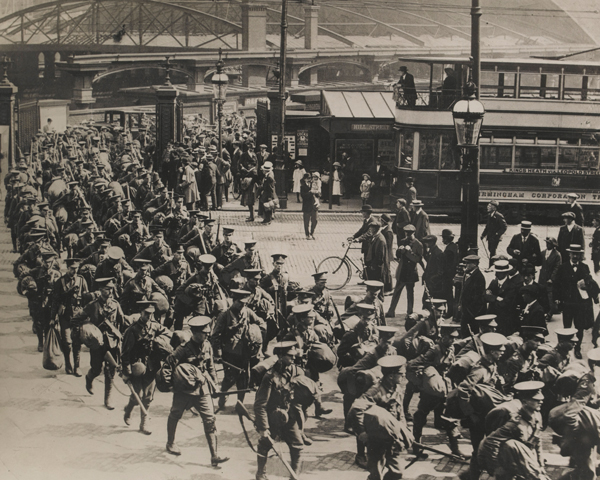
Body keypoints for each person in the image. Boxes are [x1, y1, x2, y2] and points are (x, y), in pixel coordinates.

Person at [164, 316, 229, 466]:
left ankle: (214, 456)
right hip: (184, 391)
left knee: (210, 419)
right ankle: (170, 442)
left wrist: (215, 385)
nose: (207, 335)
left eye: (208, 333)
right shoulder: (183, 349)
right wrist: (170, 385)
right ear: (195, 333)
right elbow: (168, 365)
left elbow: (211, 367)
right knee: (175, 414)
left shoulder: (207, 346)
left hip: (202, 389)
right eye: (204, 333)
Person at [408, 323, 465, 458]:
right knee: (420, 416)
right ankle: (417, 446)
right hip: (431, 392)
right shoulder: (434, 350)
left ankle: (455, 449)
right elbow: (413, 364)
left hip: (445, 390)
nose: (453, 341)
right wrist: (423, 380)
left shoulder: (450, 349)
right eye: (450, 338)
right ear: (443, 337)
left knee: (448, 418)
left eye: (454, 338)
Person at [457, 332, 508, 480]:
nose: (502, 353)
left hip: (488, 414)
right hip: (478, 417)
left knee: (487, 447)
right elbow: (463, 389)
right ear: (492, 352)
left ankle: (471, 474)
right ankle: (471, 476)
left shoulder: (491, 365)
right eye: (501, 351)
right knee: (478, 448)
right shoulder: (479, 370)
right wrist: (470, 413)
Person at [71, 277, 127, 410]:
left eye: (111, 288)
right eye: (107, 289)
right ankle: (89, 378)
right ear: (101, 290)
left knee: (110, 371)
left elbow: (123, 322)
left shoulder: (115, 304)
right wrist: (86, 330)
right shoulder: (92, 306)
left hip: (112, 343)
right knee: (96, 368)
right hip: (97, 345)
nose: (111, 291)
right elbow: (75, 320)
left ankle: (108, 398)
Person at [254, 341, 305, 480]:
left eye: (295, 355)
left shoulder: (297, 371)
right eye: (290, 356)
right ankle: (261, 475)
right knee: (265, 445)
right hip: (273, 416)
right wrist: (263, 427)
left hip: (290, 415)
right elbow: (260, 404)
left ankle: (294, 477)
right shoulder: (270, 376)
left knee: (298, 447)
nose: (294, 358)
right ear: (280, 356)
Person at [478, 381, 549, 480]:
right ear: (524, 402)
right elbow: (490, 441)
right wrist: (496, 467)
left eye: (541, 399)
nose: (541, 402)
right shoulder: (515, 422)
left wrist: (540, 463)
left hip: (526, 461)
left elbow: (538, 441)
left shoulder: (537, 415)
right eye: (536, 400)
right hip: (511, 462)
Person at [121, 300, 170, 435]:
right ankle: (129, 409)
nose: (149, 317)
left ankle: (144, 423)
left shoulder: (155, 326)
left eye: (152, 314)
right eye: (147, 314)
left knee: (147, 396)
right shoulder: (132, 330)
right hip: (136, 367)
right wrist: (126, 372)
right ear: (141, 313)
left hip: (151, 366)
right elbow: (125, 353)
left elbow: (168, 334)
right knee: (137, 394)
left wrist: (161, 342)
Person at [554, 244, 597, 359]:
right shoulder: (563, 268)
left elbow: (591, 283)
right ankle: (565, 350)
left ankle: (577, 349)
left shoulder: (584, 267)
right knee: (566, 328)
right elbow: (556, 284)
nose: (575, 256)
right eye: (573, 253)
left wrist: (586, 284)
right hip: (567, 304)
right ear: (569, 254)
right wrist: (557, 298)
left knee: (580, 328)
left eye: (577, 254)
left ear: (580, 255)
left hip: (580, 305)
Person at [50, 257, 88, 375]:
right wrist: (52, 317)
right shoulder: (60, 282)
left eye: (76, 269)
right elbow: (55, 301)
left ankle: (77, 366)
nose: (75, 271)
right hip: (65, 315)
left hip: (78, 314)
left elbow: (86, 298)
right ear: (67, 268)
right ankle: (68, 363)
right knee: (67, 342)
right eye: (72, 269)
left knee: (77, 341)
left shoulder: (81, 280)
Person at [386, 224, 422, 318]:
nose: (407, 235)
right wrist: (399, 251)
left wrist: (409, 252)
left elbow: (418, 259)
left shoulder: (418, 244)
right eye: (406, 233)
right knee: (396, 292)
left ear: (413, 233)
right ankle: (391, 311)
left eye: (409, 233)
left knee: (410, 294)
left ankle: (409, 312)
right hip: (402, 271)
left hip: (411, 272)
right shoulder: (403, 241)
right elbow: (398, 256)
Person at [485, 260, 520, 336]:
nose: (496, 274)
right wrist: (496, 298)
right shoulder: (493, 283)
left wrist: (491, 297)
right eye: (496, 272)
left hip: (504, 320)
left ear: (505, 273)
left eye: (499, 272)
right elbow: (485, 296)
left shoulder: (512, 286)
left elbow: (505, 304)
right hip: (491, 317)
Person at [457, 255, 487, 337]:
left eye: (468, 263)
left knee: (471, 334)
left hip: (472, 313)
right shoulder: (466, 274)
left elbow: (478, 298)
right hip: (465, 311)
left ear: (474, 264)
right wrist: (460, 304)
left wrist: (470, 312)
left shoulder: (479, 277)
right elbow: (463, 291)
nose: (465, 265)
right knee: (464, 332)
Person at [539, 236, 561, 316]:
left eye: (549, 244)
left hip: (550, 278)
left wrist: (552, 278)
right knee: (542, 294)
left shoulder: (557, 255)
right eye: (546, 243)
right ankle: (543, 311)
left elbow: (557, 268)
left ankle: (550, 313)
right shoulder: (543, 252)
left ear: (553, 245)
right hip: (542, 277)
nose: (547, 245)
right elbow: (539, 261)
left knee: (550, 296)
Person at [481, 200, 507, 268]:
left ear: (494, 208)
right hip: (490, 237)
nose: (487, 207)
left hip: (495, 238)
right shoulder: (490, 215)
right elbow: (487, 227)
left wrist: (497, 234)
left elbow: (504, 227)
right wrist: (483, 235)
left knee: (492, 252)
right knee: (491, 251)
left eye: (489, 206)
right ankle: (493, 265)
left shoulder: (498, 216)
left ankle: (491, 266)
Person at [364, 218, 389, 284]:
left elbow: (380, 256)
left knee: (377, 285)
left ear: (375, 229)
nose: (369, 230)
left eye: (371, 229)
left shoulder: (380, 240)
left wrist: (373, 266)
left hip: (376, 268)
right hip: (372, 266)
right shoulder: (375, 236)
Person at [421, 234, 445, 301]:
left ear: (432, 242)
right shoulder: (431, 251)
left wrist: (432, 279)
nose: (426, 244)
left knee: (432, 301)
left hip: (435, 283)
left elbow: (440, 271)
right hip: (430, 281)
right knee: (426, 300)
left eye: (427, 242)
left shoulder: (438, 253)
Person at [300, 172, 319, 240]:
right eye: (307, 178)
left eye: (310, 178)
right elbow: (303, 196)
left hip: (314, 205)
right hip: (307, 206)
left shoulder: (313, 185)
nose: (309, 180)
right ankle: (307, 234)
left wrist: (317, 193)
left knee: (315, 220)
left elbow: (318, 194)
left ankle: (312, 233)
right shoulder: (302, 187)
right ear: (304, 179)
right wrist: (310, 192)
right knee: (306, 221)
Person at [258, 161, 276, 225]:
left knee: (268, 207)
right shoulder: (268, 175)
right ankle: (266, 219)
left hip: (268, 194)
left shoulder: (269, 177)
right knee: (265, 207)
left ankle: (268, 220)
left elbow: (270, 187)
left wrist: (269, 197)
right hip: (265, 193)